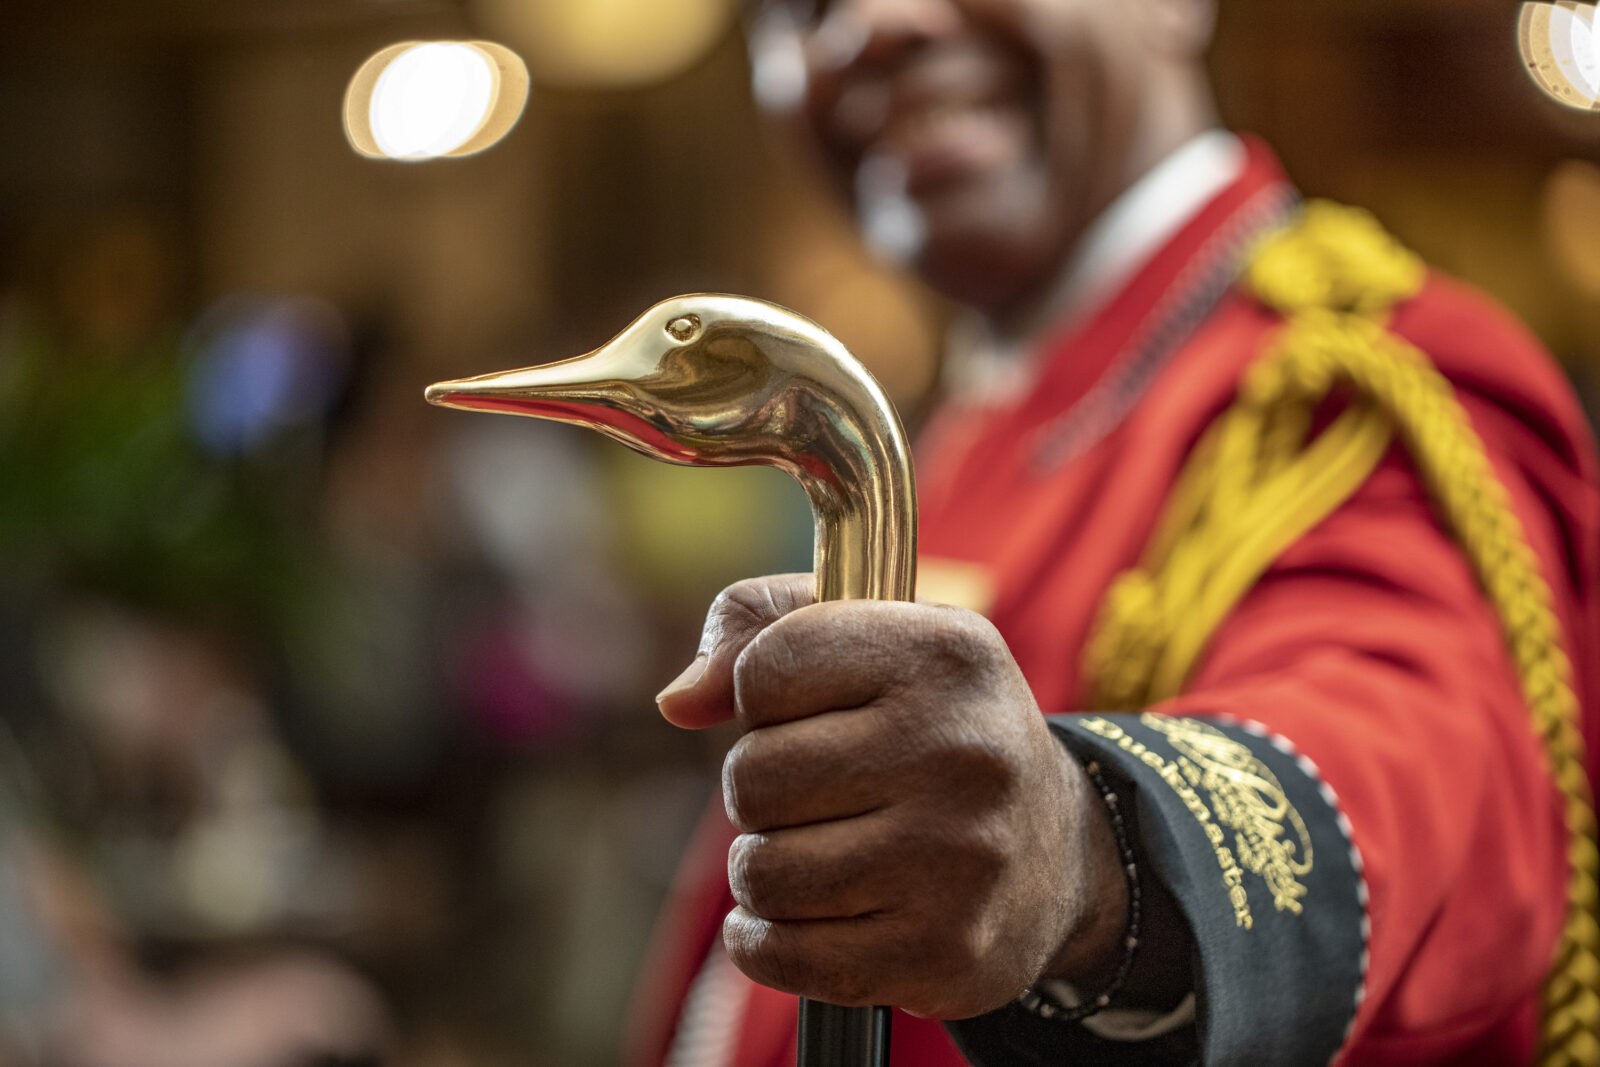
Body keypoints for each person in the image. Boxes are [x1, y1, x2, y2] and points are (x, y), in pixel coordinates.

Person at [624, 0, 1600, 1063]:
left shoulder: (1355, 375)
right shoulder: (977, 408)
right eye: (800, 5)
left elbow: (1415, 765)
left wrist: (1084, 855)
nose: (875, 24)